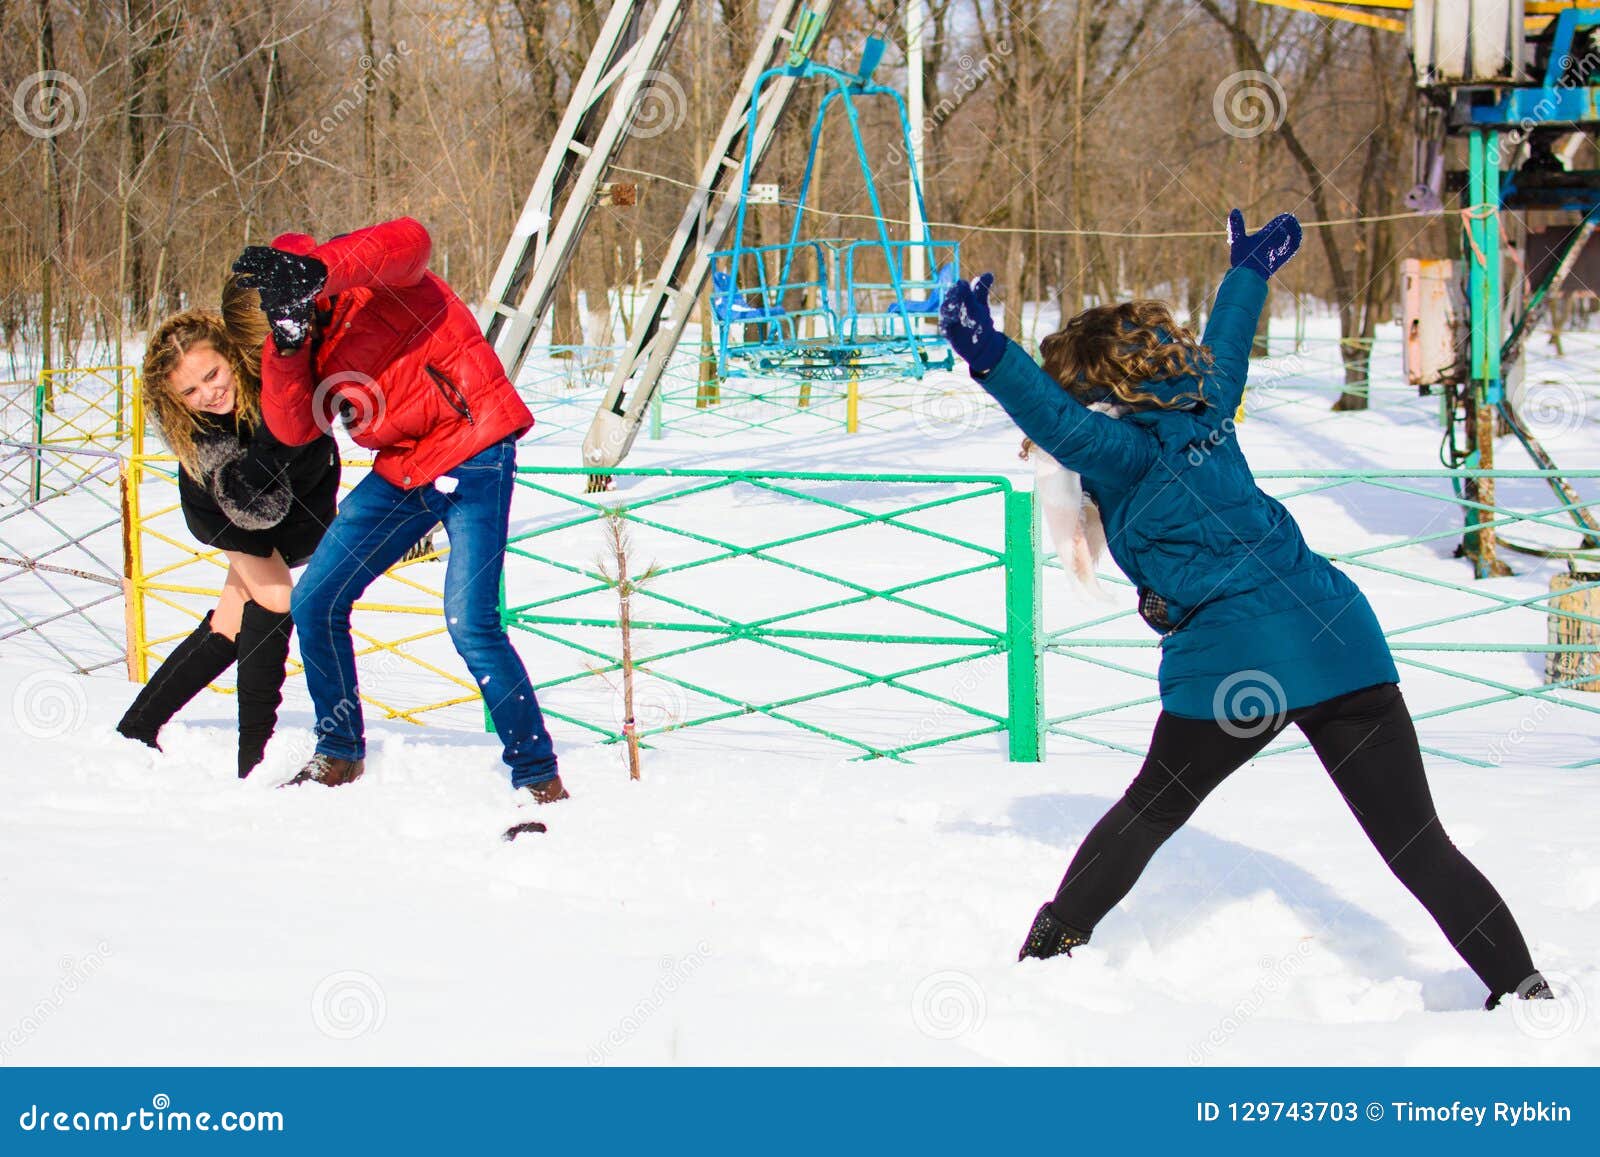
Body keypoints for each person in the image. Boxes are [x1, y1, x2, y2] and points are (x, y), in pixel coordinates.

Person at [939, 209, 1552, 1011]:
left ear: (1092, 389)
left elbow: (1054, 423)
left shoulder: (1118, 449)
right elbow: (1225, 349)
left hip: (1238, 664)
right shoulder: (1209, 407)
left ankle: (1045, 956)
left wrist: (987, 353)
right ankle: (1527, 992)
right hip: (1342, 641)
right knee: (1417, 843)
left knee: (1147, 813)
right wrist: (1249, 271)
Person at [228, 216, 567, 820]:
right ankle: (339, 751)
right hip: (405, 468)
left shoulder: (372, 276)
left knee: (470, 623)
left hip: (475, 445)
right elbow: (295, 427)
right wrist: (286, 344)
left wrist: (318, 275)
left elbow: (411, 238)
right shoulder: (304, 344)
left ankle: (538, 774)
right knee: (316, 600)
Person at [118, 285, 339, 778]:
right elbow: (252, 504)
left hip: (298, 514)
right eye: (190, 392)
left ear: (231, 357)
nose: (208, 394)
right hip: (230, 514)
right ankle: (253, 757)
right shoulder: (202, 437)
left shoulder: (272, 385)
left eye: (212, 375)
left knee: (231, 621)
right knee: (276, 598)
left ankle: (137, 726)